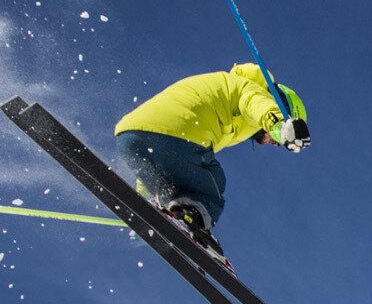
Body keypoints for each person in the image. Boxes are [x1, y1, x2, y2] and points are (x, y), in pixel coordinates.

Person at [113, 62, 310, 266]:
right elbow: (256, 103)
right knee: (211, 182)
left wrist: (138, 197)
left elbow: (159, 154)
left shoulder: (228, 89)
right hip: (174, 134)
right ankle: (189, 220)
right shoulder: (251, 89)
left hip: (129, 139)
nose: (276, 143)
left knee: (170, 191)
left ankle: (173, 212)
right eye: (277, 140)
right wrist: (281, 126)